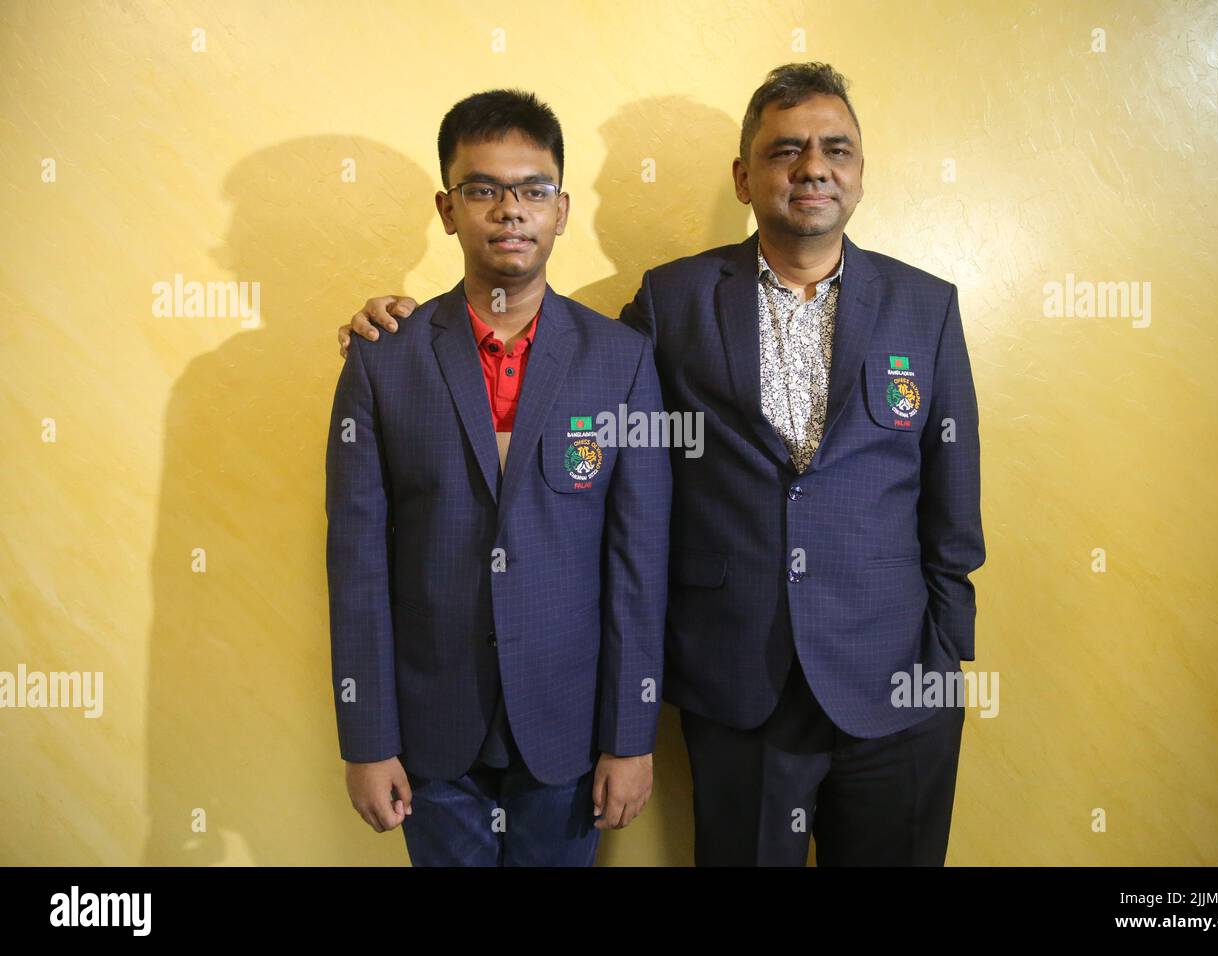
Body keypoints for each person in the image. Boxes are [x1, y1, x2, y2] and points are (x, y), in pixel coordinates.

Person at [338, 63, 984, 866]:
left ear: (859, 170)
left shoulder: (926, 306)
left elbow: (954, 501)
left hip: (897, 681)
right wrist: (395, 321)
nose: (812, 167)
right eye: (785, 151)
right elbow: (550, 359)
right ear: (745, 177)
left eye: (835, 149)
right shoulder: (673, 303)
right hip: (742, 684)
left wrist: (948, 658)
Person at [325, 88, 670, 866]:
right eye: (483, 188)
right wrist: (367, 739)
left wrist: (630, 735)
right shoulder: (384, 359)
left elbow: (638, 567)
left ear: (561, 209)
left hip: (569, 730)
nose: (510, 209)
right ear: (448, 209)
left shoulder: (620, 361)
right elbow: (357, 568)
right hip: (429, 732)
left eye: (532, 190)